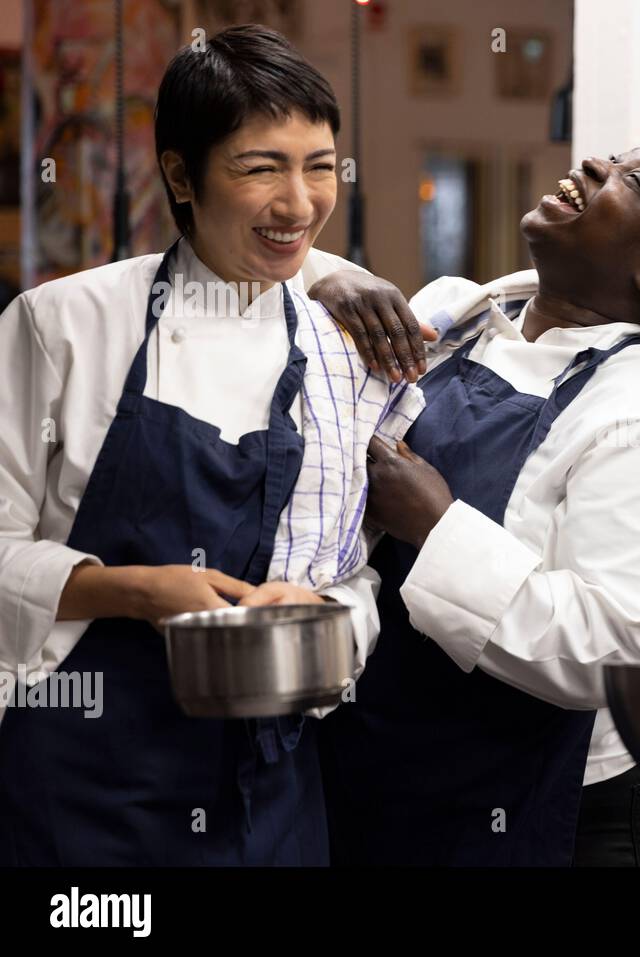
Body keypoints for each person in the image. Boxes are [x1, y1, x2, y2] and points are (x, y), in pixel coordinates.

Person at [0, 25, 411, 865]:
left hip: (274, 785)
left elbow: (358, 569)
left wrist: (323, 617)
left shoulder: (349, 349)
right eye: (261, 167)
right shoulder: (66, 324)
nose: (299, 203)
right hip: (91, 773)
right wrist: (138, 591)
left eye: (321, 165)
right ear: (181, 176)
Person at [315, 146, 640, 866]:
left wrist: (436, 527)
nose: (593, 165)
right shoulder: (454, 315)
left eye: (634, 181)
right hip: (384, 761)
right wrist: (328, 289)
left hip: (528, 801)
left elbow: (604, 651)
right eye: (614, 159)